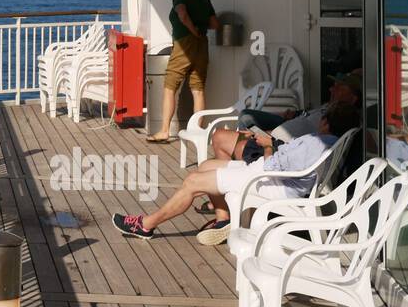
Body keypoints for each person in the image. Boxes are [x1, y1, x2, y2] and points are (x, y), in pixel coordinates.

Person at [112, 101, 359, 246]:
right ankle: (224, 219)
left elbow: (272, 166)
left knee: (192, 182)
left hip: (265, 182)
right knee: (206, 166)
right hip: (269, 176)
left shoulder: (313, 143)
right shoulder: (327, 142)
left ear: (326, 123)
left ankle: (146, 225)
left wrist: (267, 145)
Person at [210, 71, 361, 163]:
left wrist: (263, 137)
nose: (331, 88)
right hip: (278, 134)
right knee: (246, 117)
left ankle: (231, 182)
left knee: (221, 136)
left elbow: (306, 140)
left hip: (278, 147)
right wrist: (293, 115)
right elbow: (307, 118)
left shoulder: (339, 118)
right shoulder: (328, 107)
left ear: (353, 98)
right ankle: (229, 180)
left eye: (340, 87)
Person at [147, 0, 219, 143]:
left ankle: (164, 131)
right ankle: (198, 132)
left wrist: (192, 29)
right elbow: (215, 25)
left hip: (183, 44)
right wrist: (199, 29)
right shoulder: (205, 0)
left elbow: (182, 15)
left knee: (170, 86)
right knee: (198, 89)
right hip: (202, 45)